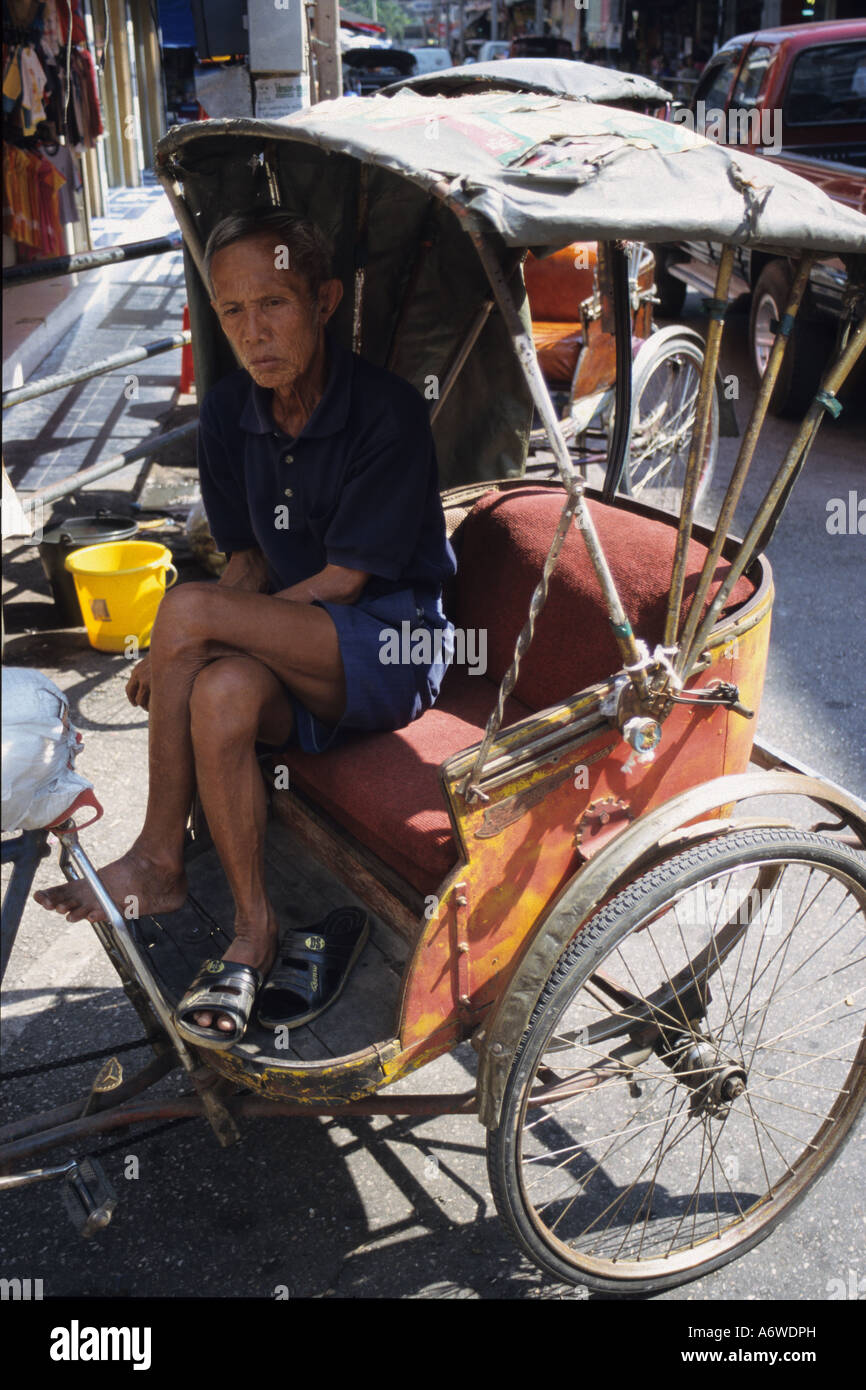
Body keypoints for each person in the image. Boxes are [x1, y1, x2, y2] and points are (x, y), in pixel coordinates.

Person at [34, 209, 456, 1047]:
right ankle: (253, 929)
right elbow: (251, 567)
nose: (254, 333)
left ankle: (156, 857)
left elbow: (343, 581)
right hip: (299, 639)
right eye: (232, 312)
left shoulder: (388, 412)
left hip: (389, 641)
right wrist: (197, 651)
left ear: (325, 299)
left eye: (276, 304)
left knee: (186, 615)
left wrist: (187, 637)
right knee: (221, 693)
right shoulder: (231, 412)